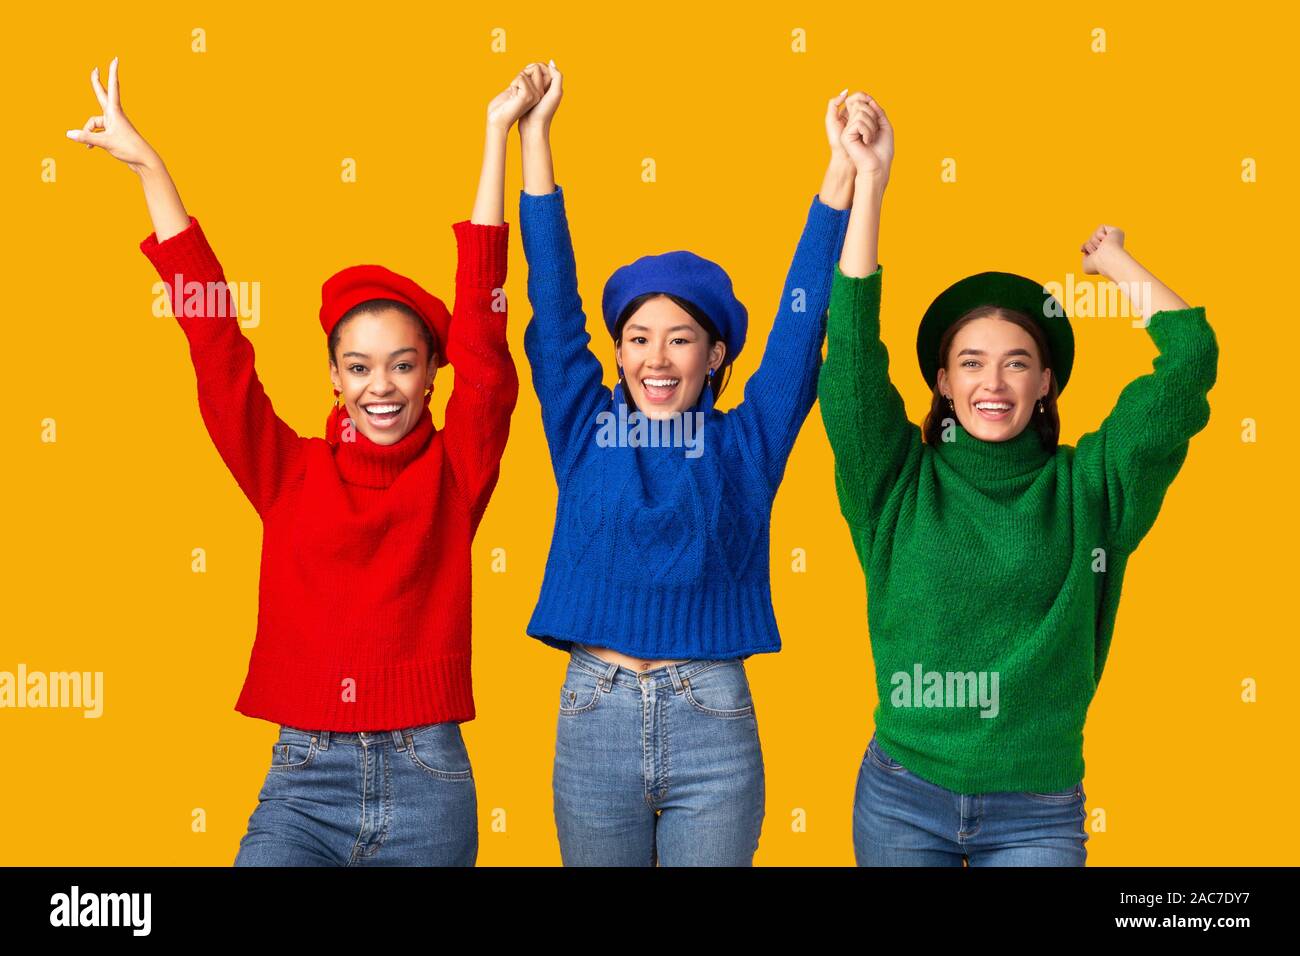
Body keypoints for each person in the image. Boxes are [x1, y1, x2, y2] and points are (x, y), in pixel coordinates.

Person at [67, 56, 535, 865]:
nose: (379, 387)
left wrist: (497, 137)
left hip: (430, 780)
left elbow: (487, 351)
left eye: (402, 363)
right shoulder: (287, 472)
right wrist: (152, 171)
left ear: (431, 372)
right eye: (358, 366)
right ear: (333, 375)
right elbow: (217, 349)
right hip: (303, 779)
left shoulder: (455, 474)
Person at [817, 97, 1220, 866]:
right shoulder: (893, 479)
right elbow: (852, 360)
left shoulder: (1090, 490)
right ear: (942, 381)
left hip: (1036, 810)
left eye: (1016, 363)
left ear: (1045, 385)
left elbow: (1189, 364)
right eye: (970, 362)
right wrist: (872, 182)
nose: (991, 382)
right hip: (902, 796)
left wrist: (1114, 263)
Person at [515, 60, 859, 865]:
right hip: (593, 712)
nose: (656, 359)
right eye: (638, 338)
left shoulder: (749, 440)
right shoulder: (583, 423)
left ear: (714, 356)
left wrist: (839, 175)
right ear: (618, 352)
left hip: (712, 716)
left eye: (680, 339)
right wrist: (537, 141)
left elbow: (802, 322)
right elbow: (554, 300)